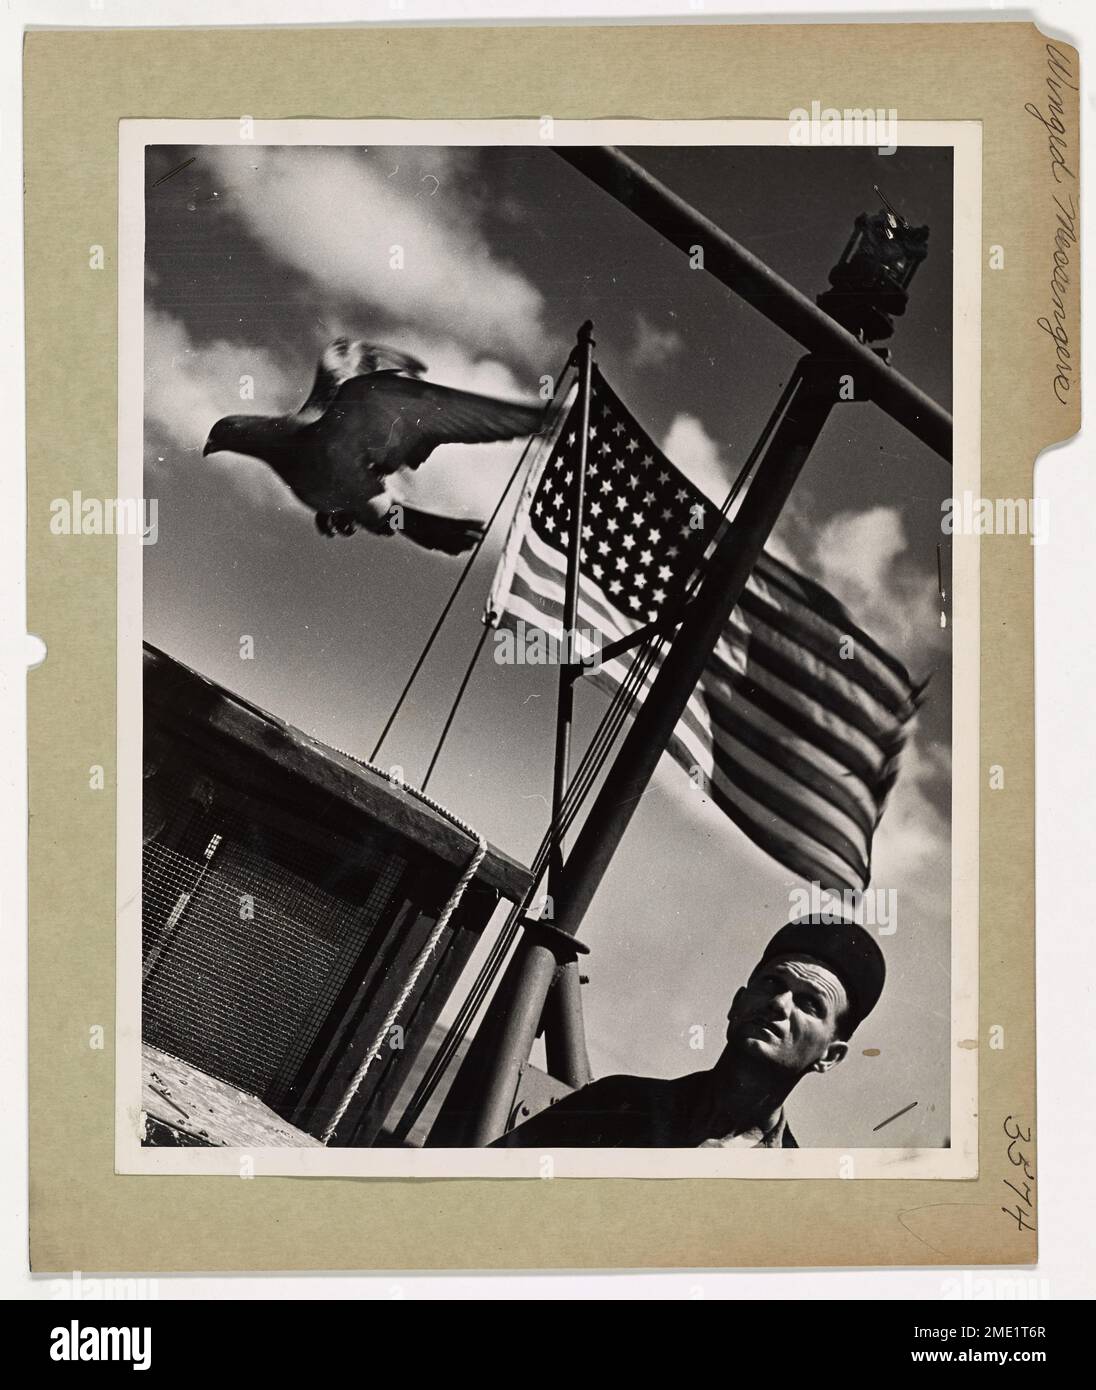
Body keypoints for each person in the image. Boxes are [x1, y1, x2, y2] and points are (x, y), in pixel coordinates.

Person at [491, 915, 885, 1149]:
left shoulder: (797, 1197)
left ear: (830, 1056)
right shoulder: (616, 1104)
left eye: (810, 1003)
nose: (780, 1003)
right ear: (736, 1005)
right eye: (771, 983)